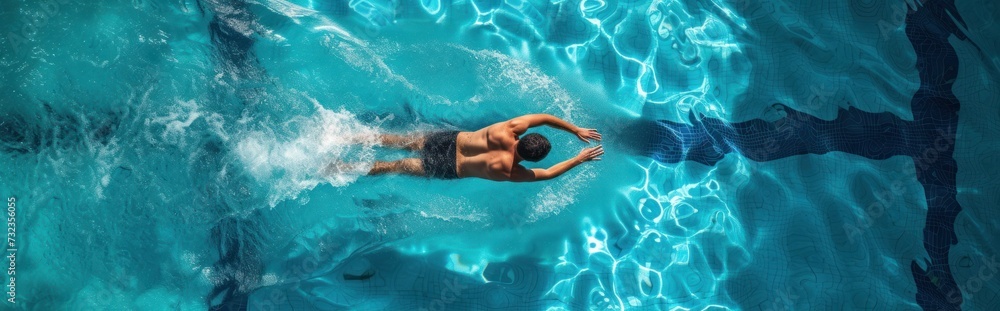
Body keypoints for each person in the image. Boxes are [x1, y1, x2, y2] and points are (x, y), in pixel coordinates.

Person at [366, 114, 603, 181]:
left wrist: (575, 129)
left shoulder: (508, 129)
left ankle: (348, 136)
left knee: (394, 140)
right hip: (449, 167)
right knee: (392, 166)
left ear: (523, 137)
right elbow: (549, 173)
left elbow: (543, 117)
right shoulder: (511, 171)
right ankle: (346, 168)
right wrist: (578, 159)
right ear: (533, 160)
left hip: (450, 140)